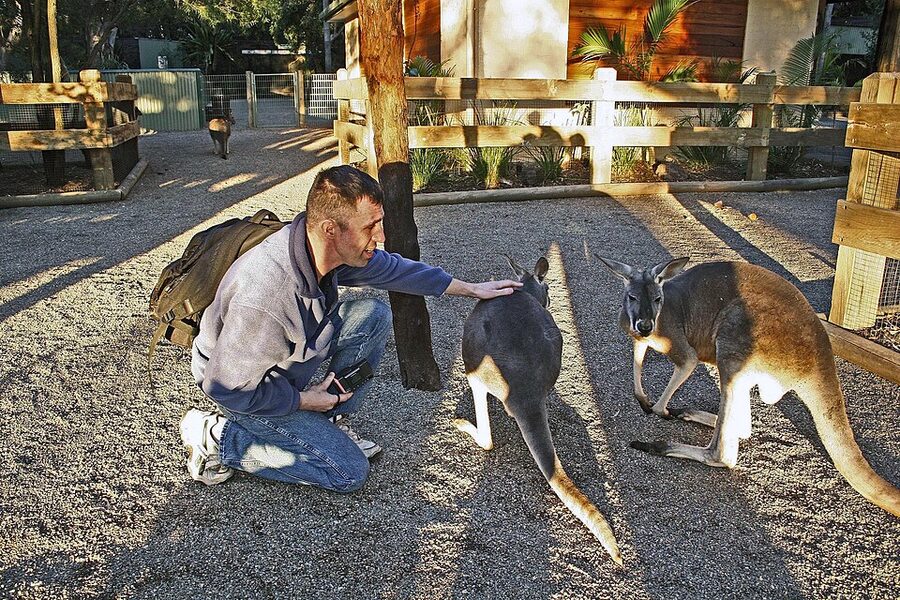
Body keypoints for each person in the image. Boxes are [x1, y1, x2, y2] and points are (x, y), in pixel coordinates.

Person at [179, 165, 522, 491]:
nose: (382, 236)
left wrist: (470, 289)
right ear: (331, 229)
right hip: (241, 389)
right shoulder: (266, 295)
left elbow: (396, 270)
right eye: (370, 227)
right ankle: (217, 437)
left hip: (278, 362)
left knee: (372, 314)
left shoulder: (322, 250)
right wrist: (301, 400)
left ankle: (328, 421)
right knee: (348, 471)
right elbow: (226, 387)